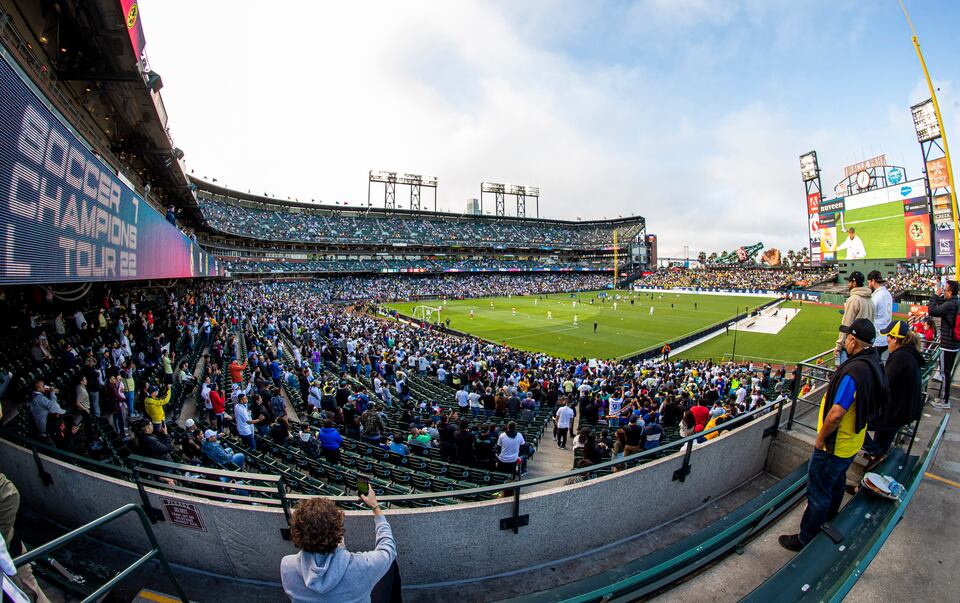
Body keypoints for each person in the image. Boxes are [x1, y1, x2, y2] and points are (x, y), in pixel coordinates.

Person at [779, 318, 887, 552]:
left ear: (852, 340)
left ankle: (806, 538)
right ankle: (830, 518)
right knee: (836, 483)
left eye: (847, 337)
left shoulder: (854, 371)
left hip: (835, 446)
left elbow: (837, 412)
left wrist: (821, 438)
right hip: (852, 442)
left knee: (818, 492)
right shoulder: (873, 363)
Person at [280, 490, 399, 603]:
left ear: (297, 533)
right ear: (338, 533)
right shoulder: (362, 566)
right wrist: (375, 507)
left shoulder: (287, 565)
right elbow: (388, 549)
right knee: (390, 565)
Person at [863, 320, 924, 462]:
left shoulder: (900, 356)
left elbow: (884, 384)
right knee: (882, 440)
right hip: (902, 412)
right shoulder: (909, 354)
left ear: (896, 339)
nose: (887, 340)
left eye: (889, 336)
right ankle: (876, 457)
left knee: (855, 421)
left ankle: (875, 452)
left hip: (895, 413)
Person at [928, 280, 959, 410]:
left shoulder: (950, 304)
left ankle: (945, 400)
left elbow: (932, 310)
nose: (944, 292)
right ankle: (943, 397)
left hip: (948, 344)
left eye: (945, 290)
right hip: (953, 343)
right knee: (946, 371)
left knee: (945, 372)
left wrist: (935, 295)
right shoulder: (955, 302)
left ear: (950, 291)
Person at [834, 271, 874, 366]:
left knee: (847, 371)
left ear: (854, 283)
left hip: (852, 345)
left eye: (849, 282)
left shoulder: (853, 299)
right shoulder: (870, 300)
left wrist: (838, 346)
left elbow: (846, 325)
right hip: (865, 345)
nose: (848, 284)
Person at [867, 270, 893, 358]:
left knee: (874, 365)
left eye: (869, 282)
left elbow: (868, 313)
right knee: (878, 362)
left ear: (873, 281)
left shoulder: (877, 296)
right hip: (885, 337)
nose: (868, 285)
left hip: (877, 338)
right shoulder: (887, 293)